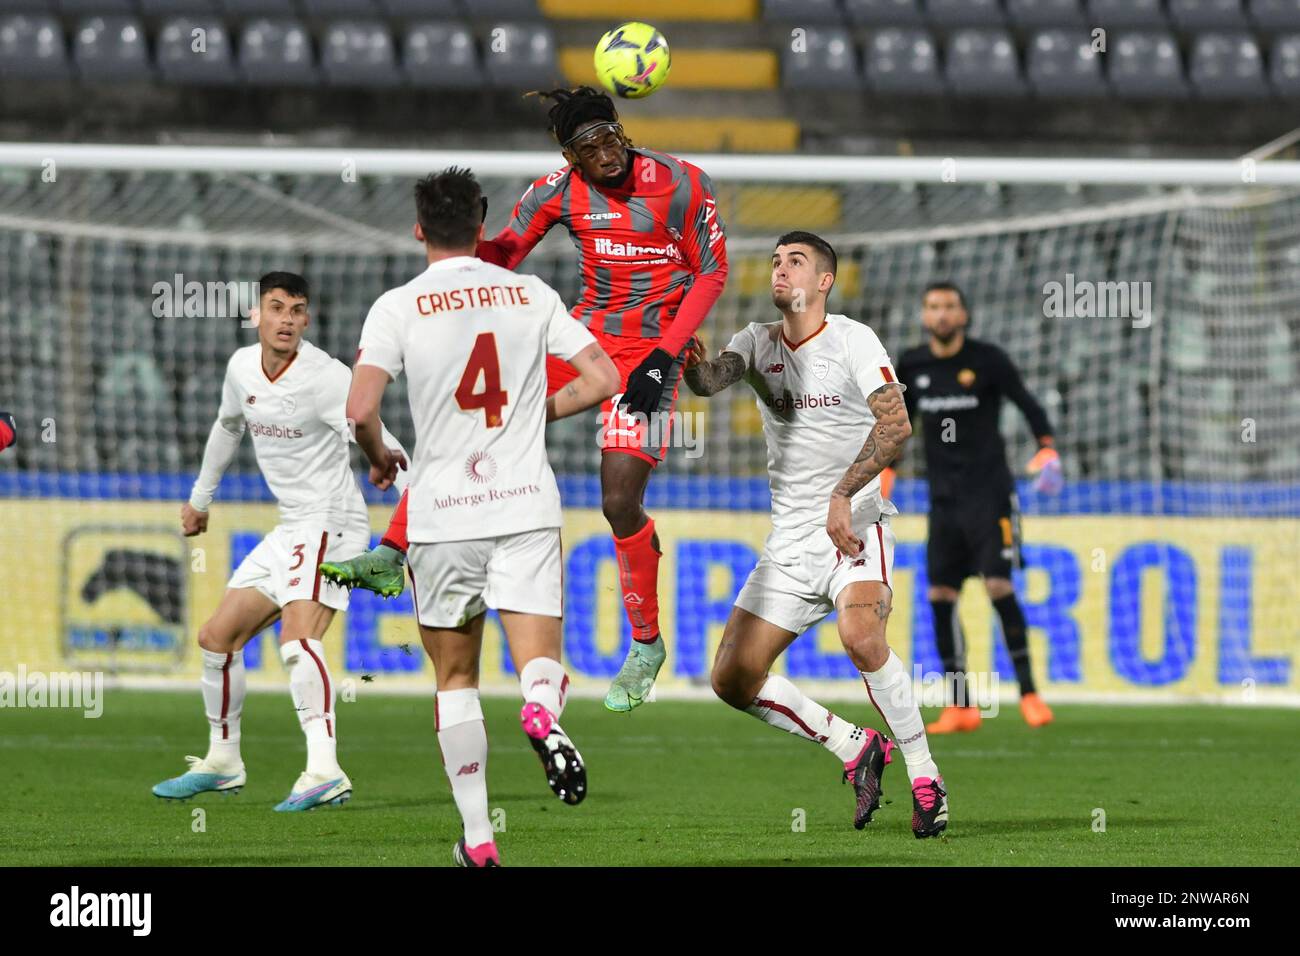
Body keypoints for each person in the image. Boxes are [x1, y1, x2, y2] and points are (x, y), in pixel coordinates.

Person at [321, 86, 728, 713]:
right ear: (571, 156)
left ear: (623, 132)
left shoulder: (682, 183)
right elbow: (509, 251)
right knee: (474, 415)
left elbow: (711, 273)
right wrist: (456, 246)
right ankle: (391, 551)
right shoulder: (558, 190)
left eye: (610, 138)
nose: (606, 154)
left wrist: (665, 356)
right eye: (589, 147)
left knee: (619, 498)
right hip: (585, 339)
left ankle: (645, 644)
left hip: (652, 348)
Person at [345, 167, 620, 866]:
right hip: (525, 504)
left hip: (440, 517)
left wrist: (379, 455)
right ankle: (539, 711)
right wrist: (536, 412)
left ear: (417, 229)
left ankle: (479, 840)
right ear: (482, 224)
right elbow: (605, 377)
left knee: (456, 680)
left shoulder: (397, 307)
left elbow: (359, 410)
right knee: (540, 664)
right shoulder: (530, 292)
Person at [683, 232, 948, 840]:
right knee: (731, 679)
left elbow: (896, 424)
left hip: (854, 529)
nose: (780, 269)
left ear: (824, 281)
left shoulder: (853, 340)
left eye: (795, 261)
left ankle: (926, 777)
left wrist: (841, 493)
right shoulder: (756, 341)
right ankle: (855, 747)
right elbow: (708, 381)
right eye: (775, 261)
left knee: (860, 635)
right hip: (790, 547)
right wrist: (688, 361)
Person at [152, 272, 409, 811]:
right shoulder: (241, 368)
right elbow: (227, 427)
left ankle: (324, 769)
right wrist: (201, 500)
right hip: (292, 525)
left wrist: (418, 510)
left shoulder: (327, 377)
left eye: (297, 310)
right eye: (276, 308)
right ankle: (223, 761)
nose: (287, 319)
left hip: (333, 522)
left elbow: (382, 439)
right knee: (216, 639)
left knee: (297, 641)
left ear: (307, 320)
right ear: (256, 316)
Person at [890, 282, 1060, 733]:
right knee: (940, 596)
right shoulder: (913, 364)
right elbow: (898, 426)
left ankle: (1029, 694)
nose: (941, 314)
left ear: (963, 314)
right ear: (924, 316)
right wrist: (885, 472)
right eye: (932, 307)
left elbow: (1029, 405)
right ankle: (961, 705)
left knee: (999, 587)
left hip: (991, 498)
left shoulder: (988, 360)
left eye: (948, 306)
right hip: (943, 502)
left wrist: (1046, 447)